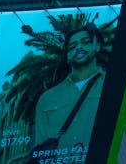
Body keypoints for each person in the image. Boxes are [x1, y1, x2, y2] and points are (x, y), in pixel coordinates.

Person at [33, 24, 105, 155]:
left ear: (97, 46)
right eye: (72, 47)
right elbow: (41, 148)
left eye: (85, 42)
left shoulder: (114, 87)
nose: (78, 48)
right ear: (67, 56)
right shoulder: (47, 98)